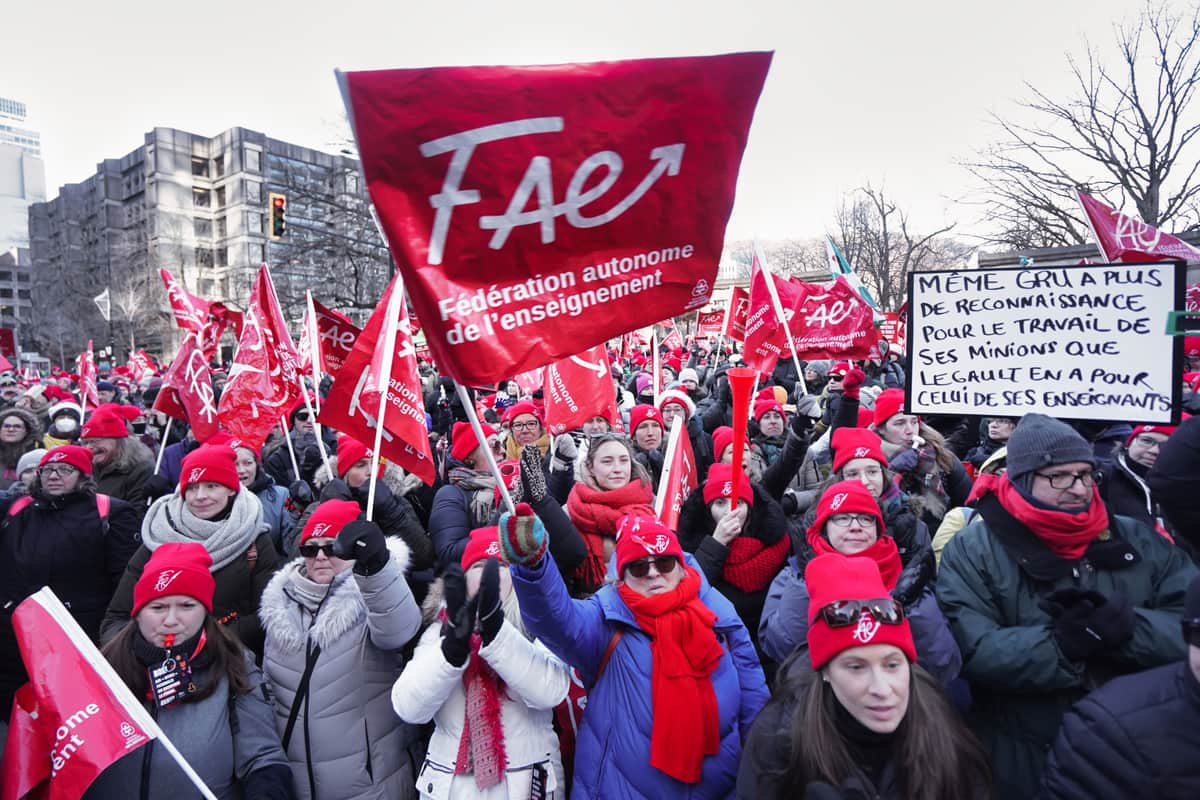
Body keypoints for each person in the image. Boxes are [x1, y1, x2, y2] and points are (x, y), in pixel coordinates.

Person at [936, 413, 1198, 797]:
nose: (1079, 488)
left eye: (1085, 474)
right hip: (1019, 756)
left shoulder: (1137, 540)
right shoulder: (974, 548)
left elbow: (1188, 628)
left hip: (1140, 751)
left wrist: (1129, 629)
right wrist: (1062, 646)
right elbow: (972, 648)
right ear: (1022, 479)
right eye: (1059, 476)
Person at [505, 508, 768, 798]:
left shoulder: (719, 616)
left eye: (665, 562)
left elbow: (754, 702)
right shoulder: (606, 619)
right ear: (623, 575)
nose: (654, 572)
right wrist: (534, 565)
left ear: (681, 565)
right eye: (640, 567)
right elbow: (556, 619)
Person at [737, 554, 991, 799]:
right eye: (856, 667)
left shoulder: (942, 727)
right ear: (825, 672)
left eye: (892, 665)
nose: (881, 688)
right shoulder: (780, 740)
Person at [86, 543, 293, 799]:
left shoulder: (233, 663)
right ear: (138, 613)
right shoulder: (102, 668)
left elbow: (262, 756)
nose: (171, 620)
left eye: (186, 606)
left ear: (205, 612)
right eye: (158, 607)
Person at [260, 499, 423, 799]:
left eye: (332, 547)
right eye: (310, 548)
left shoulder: (375, 596)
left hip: (368, 783)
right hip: (299, 785)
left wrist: (377, 568)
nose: (320, 556)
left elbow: (399, 630)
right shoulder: (278, 607)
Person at [393, 526, 571, 799]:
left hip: (526, 788)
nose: (493, 574)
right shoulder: (439, 632)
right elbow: (409, 707)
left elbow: (550, 692)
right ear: (464, 578)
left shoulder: (538, 626)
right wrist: (450, 654)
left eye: (501, 564)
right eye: (479, 566)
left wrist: (497, 634)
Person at [759, 478, 960, 685]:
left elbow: (942, 665)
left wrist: (912, 607)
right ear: (824, 527)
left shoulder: (905, 578)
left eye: (866, 518)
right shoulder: (794, 575)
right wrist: (808, 580)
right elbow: (781, 648)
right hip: (818, 703)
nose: (855, 527)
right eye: (843, 518)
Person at [0, 445, 141, 718]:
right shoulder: (15, 509)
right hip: (13, 633)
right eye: (47, 470)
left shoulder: (110, 513)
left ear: (83, 476)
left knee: (70, 711)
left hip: (77, 632)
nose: (54, 475)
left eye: (65, 470)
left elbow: (123, 579)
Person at [101, 444, 281, 655]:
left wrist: (204, 644)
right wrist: (152, 647)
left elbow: (267, 614)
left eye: (212, 486)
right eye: (193, 487)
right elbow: (116, 619)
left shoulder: (254, 539)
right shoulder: (158, 536)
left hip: (228, 662)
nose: (200, 496)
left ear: (231, 488)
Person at [1039, 571, 1200, 798]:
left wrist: (1127, 629)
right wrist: (1067, 645)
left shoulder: (1152, 549)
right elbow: (980, 649)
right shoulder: (1104, 736)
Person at [676, 462, 789, 653]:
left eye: (739, 502)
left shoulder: (778, 541)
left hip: (771, 649)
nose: (730, 511)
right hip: (721, 647)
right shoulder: (691, 548)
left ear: (750, 508)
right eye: (720, 503)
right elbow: (690, 590)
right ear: (707, 509)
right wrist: (716, 544)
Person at [564, 432, 656, 595]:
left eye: (623, 460)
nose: (618, 469)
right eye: (607, 462)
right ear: (590, 467)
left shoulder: (652, 504)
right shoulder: (571, 511)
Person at [872, 389, 972, 525]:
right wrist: (891, 472)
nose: (909, 430)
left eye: (914, 421)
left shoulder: (942, 457)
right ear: (882, 429)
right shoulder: (868, 460)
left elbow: (968, 506)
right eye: (900, 423)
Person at [431, 421, 504, 569]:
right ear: (471, 457)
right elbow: (449, 552)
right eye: (495, 445)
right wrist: (504, 510)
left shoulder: (510, 482)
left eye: (502, 444)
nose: (502, 450)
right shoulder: (450, 494)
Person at [1100, 422, 1177, 531]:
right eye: (1146, 441)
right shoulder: (1102, 478)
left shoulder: (1186, 486)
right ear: (1128, 443)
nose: (1154, 451)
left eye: (1167, 445)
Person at [79, 402, 156, 509]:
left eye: (95, 441)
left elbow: (136, 513)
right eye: (85, 442)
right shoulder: (83, 467)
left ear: (119, 441)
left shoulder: (141, 468)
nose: (88, 448)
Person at [0, 408, 41, 489]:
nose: (11, 430)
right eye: (6, 426)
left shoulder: (37, 456)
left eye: (17, 426)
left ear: (27, 431)